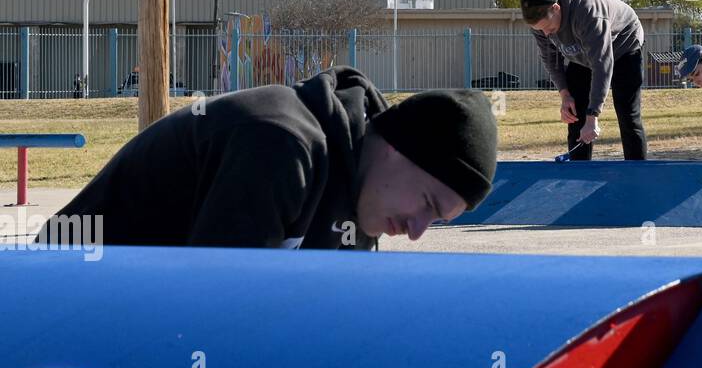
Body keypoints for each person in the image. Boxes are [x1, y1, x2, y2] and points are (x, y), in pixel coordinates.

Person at [40, 66, 498, 248]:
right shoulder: (280, 144)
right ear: (398, 151)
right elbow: (222, 316)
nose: (417, 231)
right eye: (428, 205)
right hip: (63, 303)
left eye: (437, 220)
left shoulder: (366, 196)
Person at [521, 0, 647, 160]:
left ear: (556, 8)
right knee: (575, 114)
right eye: (541, 30)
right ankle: (579, 172)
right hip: (583, 55)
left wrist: (593, 115)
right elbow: (550, 59)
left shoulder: (588, 11)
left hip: (624, 46)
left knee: (627, 113)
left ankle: (637, 174)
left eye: (548, 27)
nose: (546, 33)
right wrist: (565, 95)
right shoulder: (539, 23)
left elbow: (602, 64)